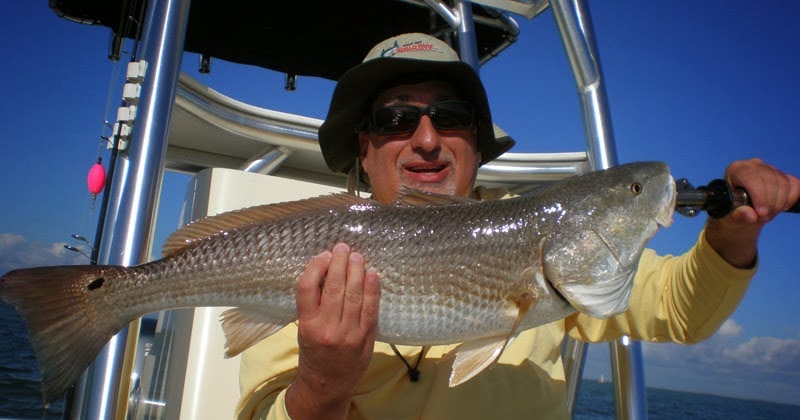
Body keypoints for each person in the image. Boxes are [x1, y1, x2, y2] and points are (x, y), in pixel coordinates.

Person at [235, 33, 800, 419]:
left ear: (477, 145)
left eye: (451, 118)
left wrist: (733, 233)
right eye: (398, 118)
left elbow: (682, 310)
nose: (428, 139)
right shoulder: (310, 260)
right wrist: (322, 386)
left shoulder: (568, 256)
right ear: (365, 148)